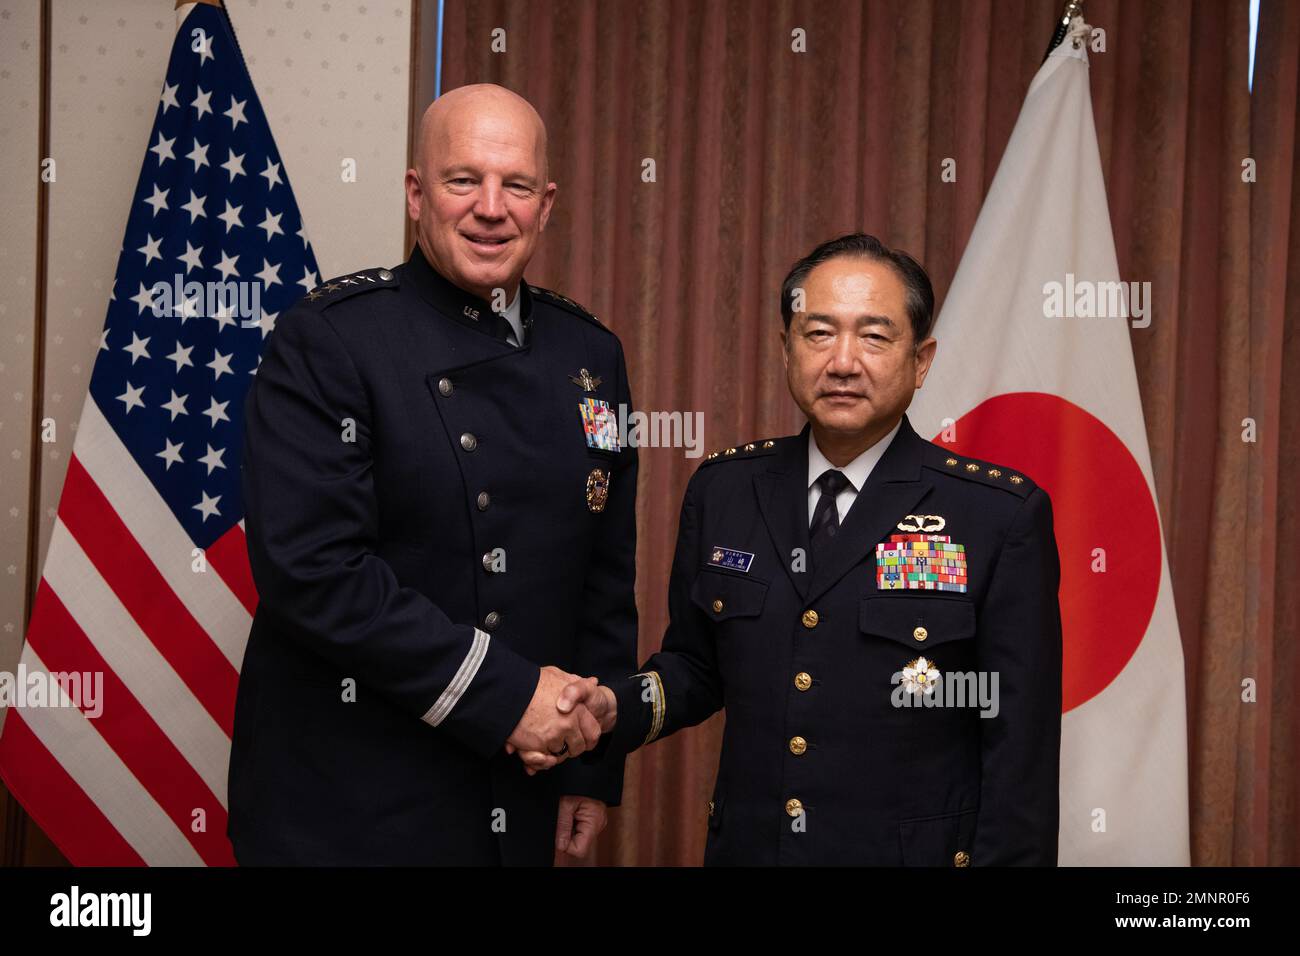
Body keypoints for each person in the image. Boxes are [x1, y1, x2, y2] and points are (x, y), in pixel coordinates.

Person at [531, 233, 1063, 865]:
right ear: (785, 349)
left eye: (874, 336)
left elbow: (1019, 756)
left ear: (921, 362)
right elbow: (697, 670)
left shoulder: (996, 516)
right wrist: (615, 704)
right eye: (818, 333)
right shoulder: (725, 490)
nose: (843, 361)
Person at [228, 84, 636, 864]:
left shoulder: (592, 356)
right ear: (417, 194)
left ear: (545, 205)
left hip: (519, 787)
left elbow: (605, 579)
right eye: (462, 180)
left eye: (516, 186)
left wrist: (592, 764)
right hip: (349, 799)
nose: (491, 207)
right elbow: (313, 572)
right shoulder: (330, 339)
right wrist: (508, 696)